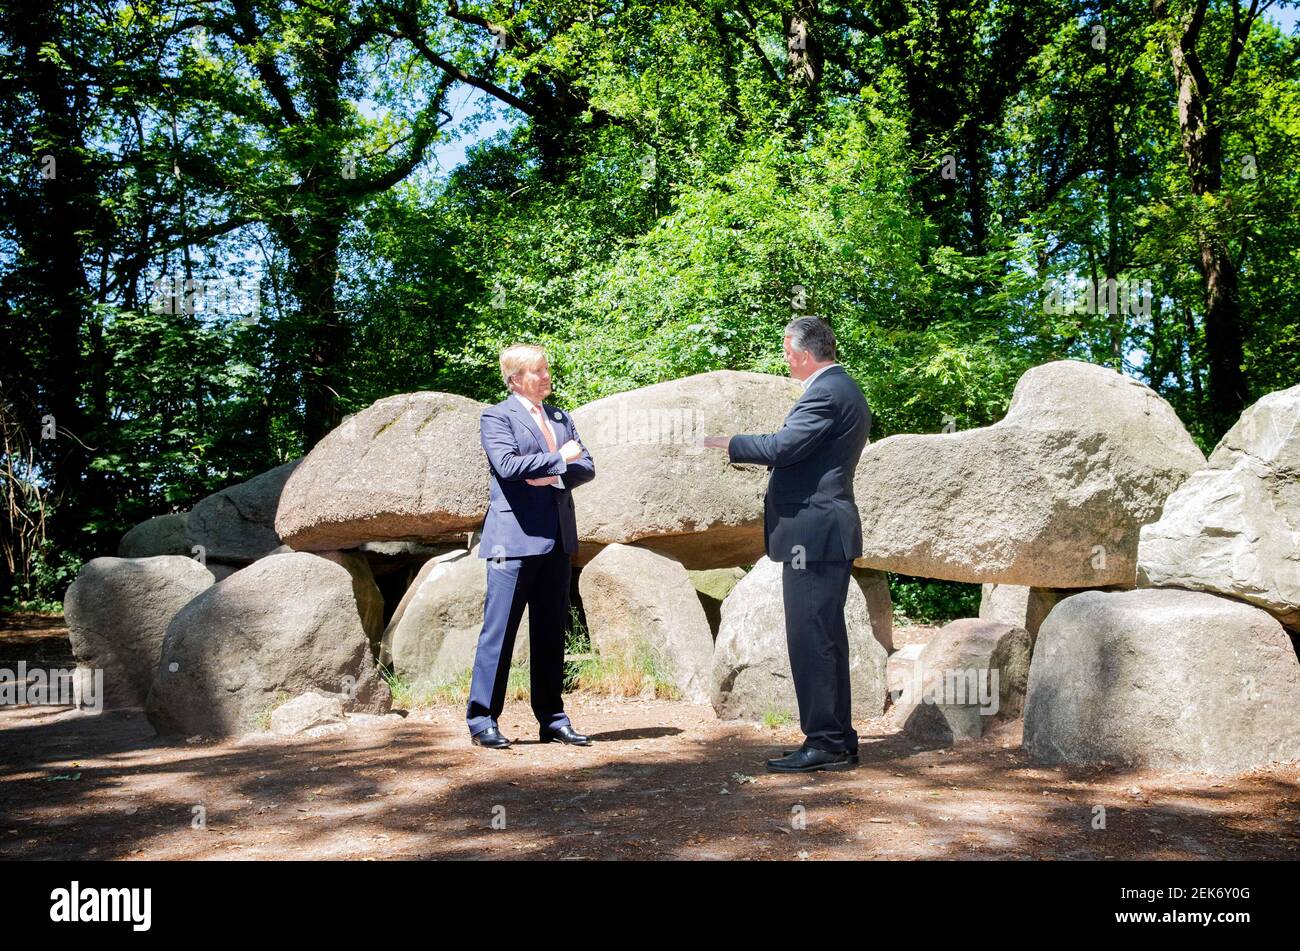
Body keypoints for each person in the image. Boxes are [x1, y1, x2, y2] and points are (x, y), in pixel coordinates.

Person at [701, 317, 872, 772]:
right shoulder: (845, 388)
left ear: (805, 353)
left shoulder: (826, 391)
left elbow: (784, 447)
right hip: (823, 533)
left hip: (813, 534)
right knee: (825, 638)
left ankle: (826, 743)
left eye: (786, 350)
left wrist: (731, 442)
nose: (784, 357)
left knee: (811, 639)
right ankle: (838, 739)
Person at [466, 343, 596, 749]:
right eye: (537, 371)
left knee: (550, 633)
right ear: (515, 379)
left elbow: (587, 466)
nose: (545, 376)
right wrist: (558, 461)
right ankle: (482, 719)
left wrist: (548, 472)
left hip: (557, 540)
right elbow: (506, 466)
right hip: (512, 543)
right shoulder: (496, 416)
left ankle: (552, 719)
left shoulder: (561, 416)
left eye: (545, 369)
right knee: (499, 634)